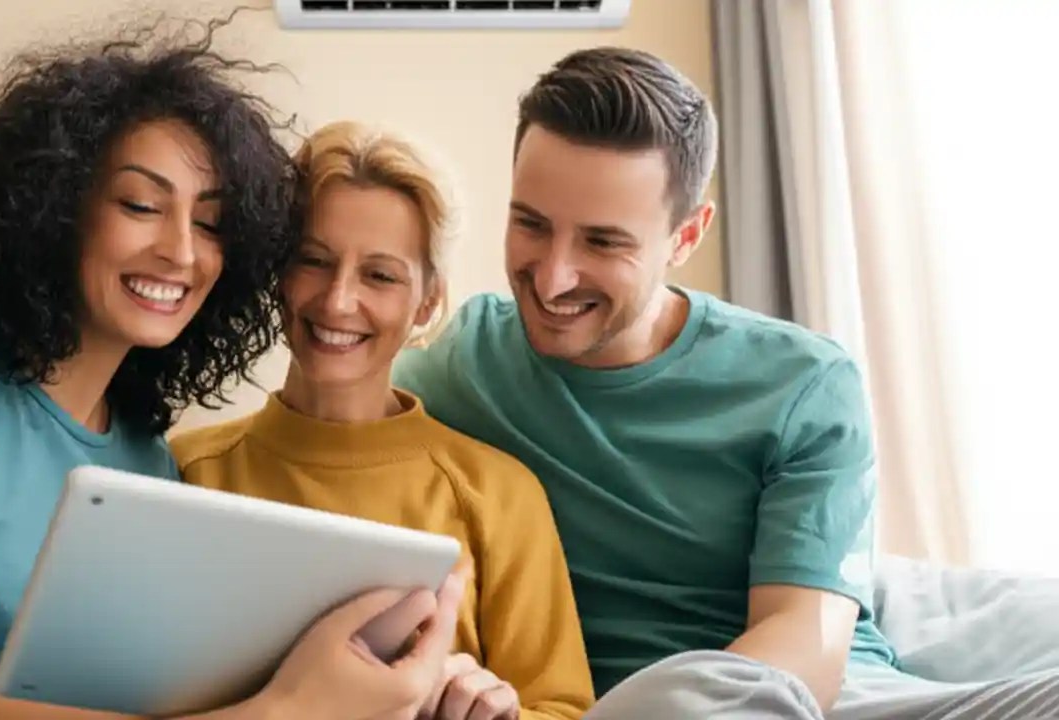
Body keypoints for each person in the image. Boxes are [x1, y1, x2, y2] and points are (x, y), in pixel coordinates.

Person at [0, 19, 467, 720]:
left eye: (209, 223)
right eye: (141, 205)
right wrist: (289, 709)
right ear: (55, 205)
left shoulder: (145, 460)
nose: (181, 251)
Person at [392, 46, 1059, 720]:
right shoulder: (459, 362)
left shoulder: (804, 384)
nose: (553, 276)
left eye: (603, 242)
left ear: (687, 236)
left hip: (808, 698)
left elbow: (806, 642)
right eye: (531, 225)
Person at [172, 119, 595, 720]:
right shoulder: (184, 471)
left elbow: (565, 710)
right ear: (278, 273)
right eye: (314, 260)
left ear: (428, 301)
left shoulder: (499, 495)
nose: (338, 300)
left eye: (380, 275)